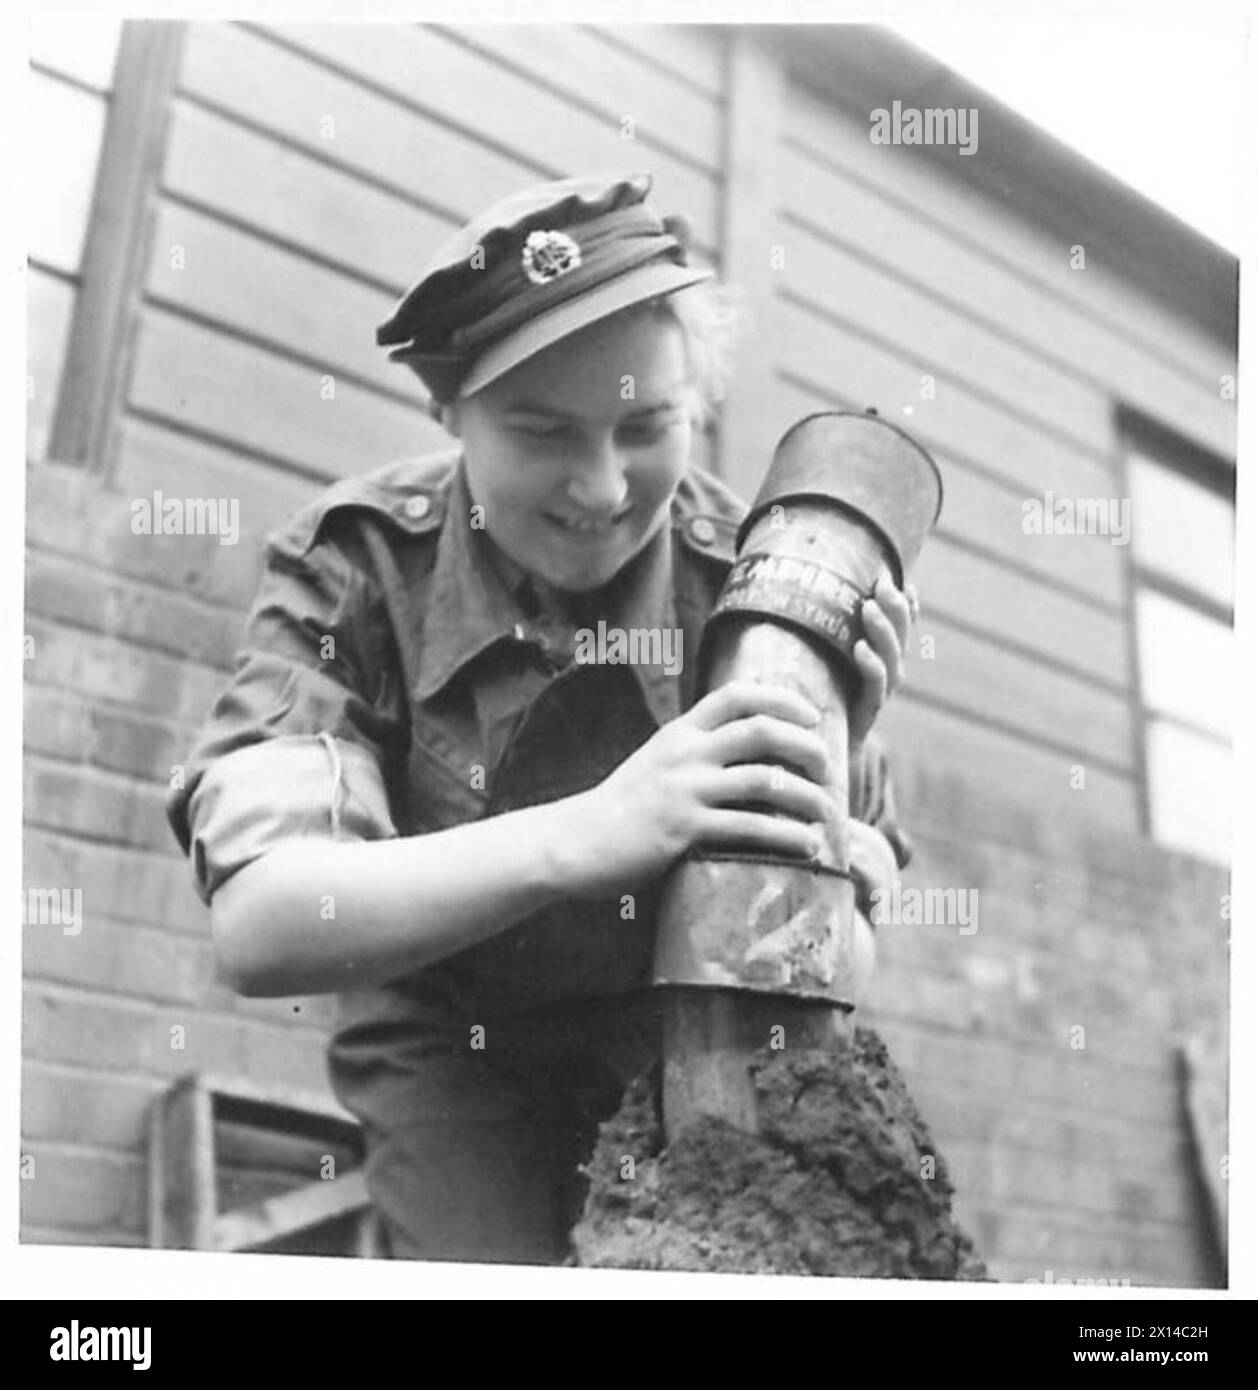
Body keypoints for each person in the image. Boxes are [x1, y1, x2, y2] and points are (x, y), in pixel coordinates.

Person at [166, 172, 917, 1264]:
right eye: (541, 432)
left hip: (683, 1020)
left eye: (646, 425)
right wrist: (593, 832)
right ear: (449, 412)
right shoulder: (359, 567)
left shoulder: (760, 581)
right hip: (446, 1032)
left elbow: (844, 962)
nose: (603, 486)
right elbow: (266, 923)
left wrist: (821, 842)